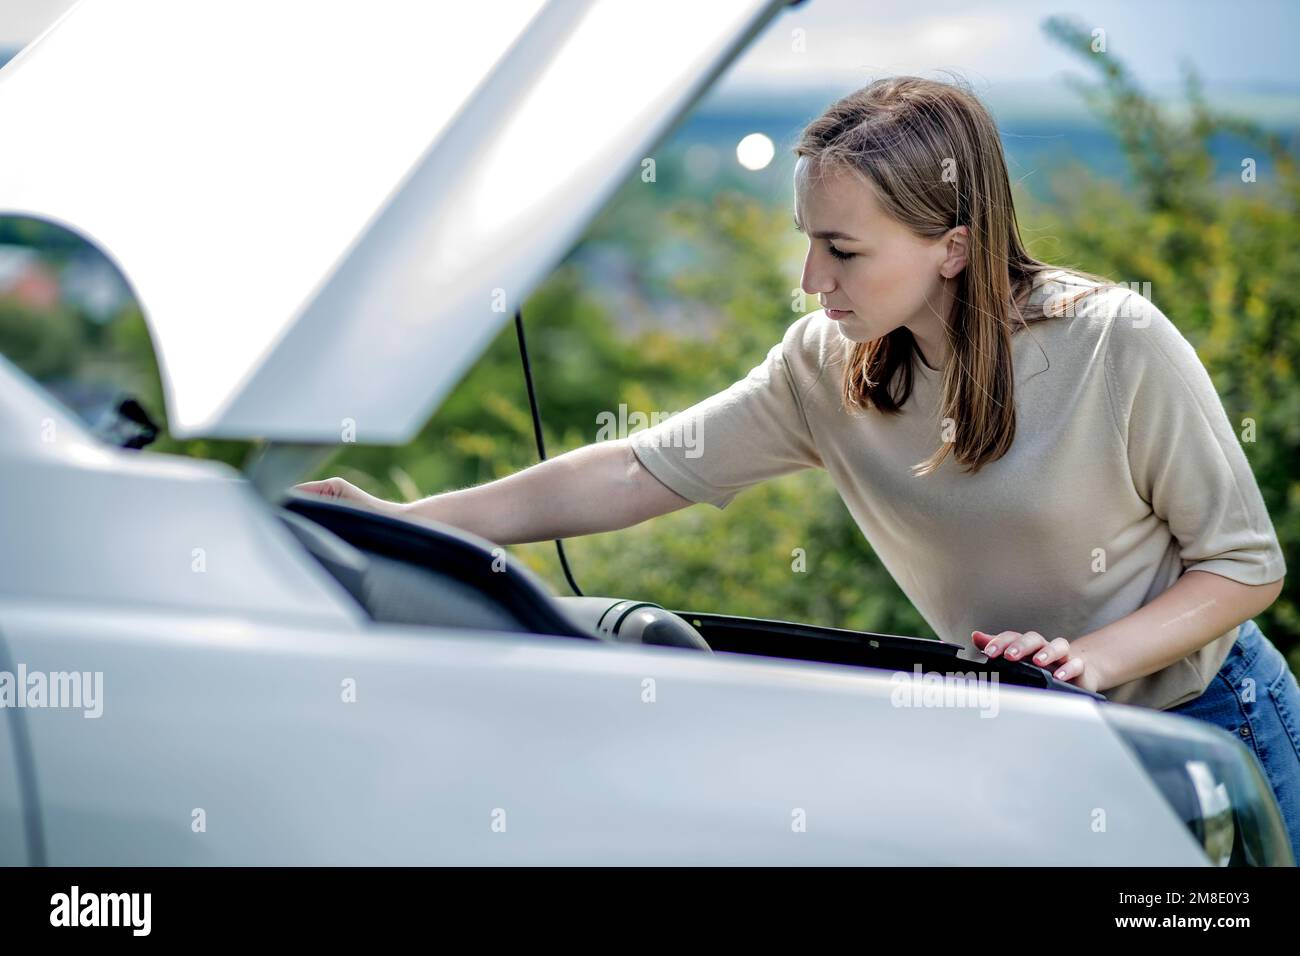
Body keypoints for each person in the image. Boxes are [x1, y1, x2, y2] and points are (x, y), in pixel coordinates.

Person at [296, 76, 1298, 858]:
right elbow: (635, 470)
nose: (810, 279)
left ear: (951, 246)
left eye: (841, 249)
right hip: (1037, 733)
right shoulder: (826, 364)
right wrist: (408, 519)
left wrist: (1097, 659)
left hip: (1211, 717)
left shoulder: (1114, 343)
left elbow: (1246, 564)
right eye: (804, 242)